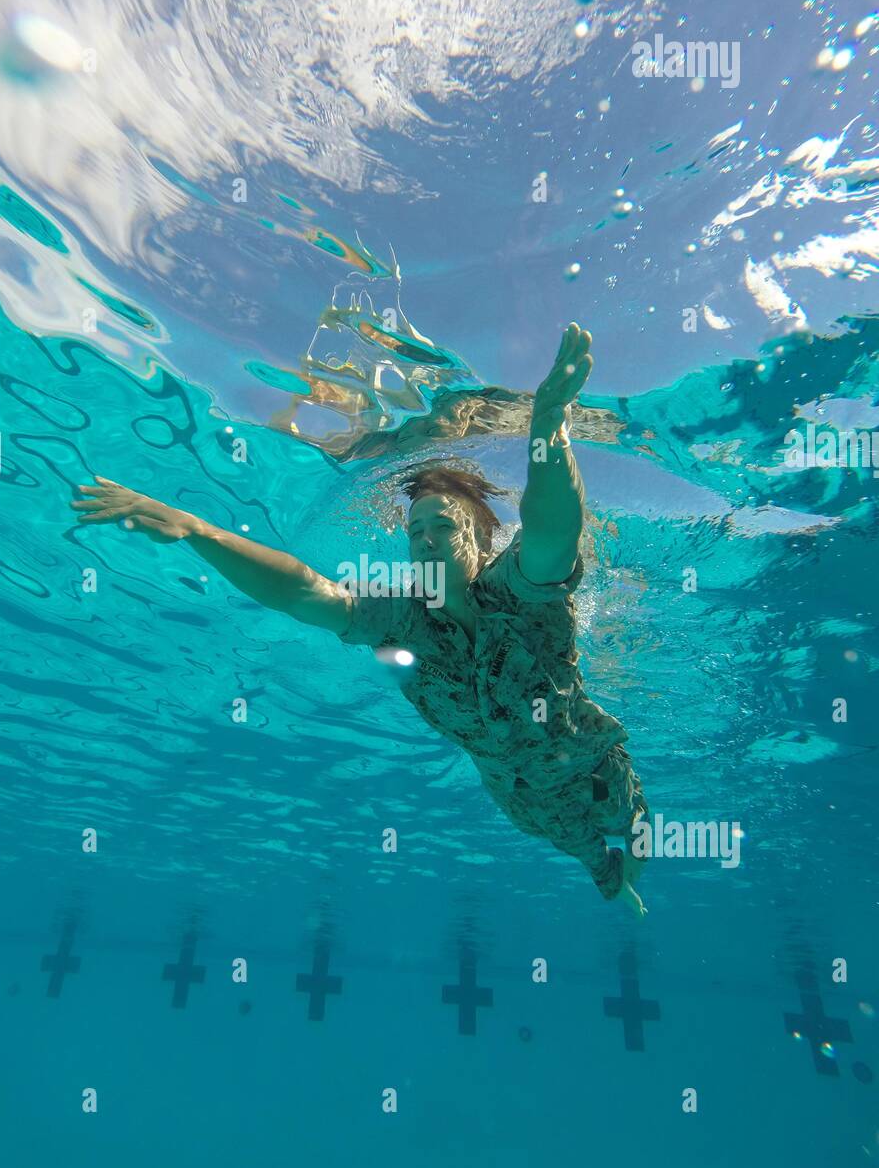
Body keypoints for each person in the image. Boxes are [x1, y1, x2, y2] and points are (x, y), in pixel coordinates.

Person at [71, 322, 650, 915]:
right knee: (588, 857)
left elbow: (554, 528)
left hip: (595, 766)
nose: (424, 541)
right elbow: (305, 592)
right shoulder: (401, 617)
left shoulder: (522, 593)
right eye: (414, 531)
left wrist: (548, 425)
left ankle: (633, 863)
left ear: (479, 539)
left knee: (638, 838)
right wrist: (197, 529)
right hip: (523, 798)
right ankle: (613, 882)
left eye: (443, 527)